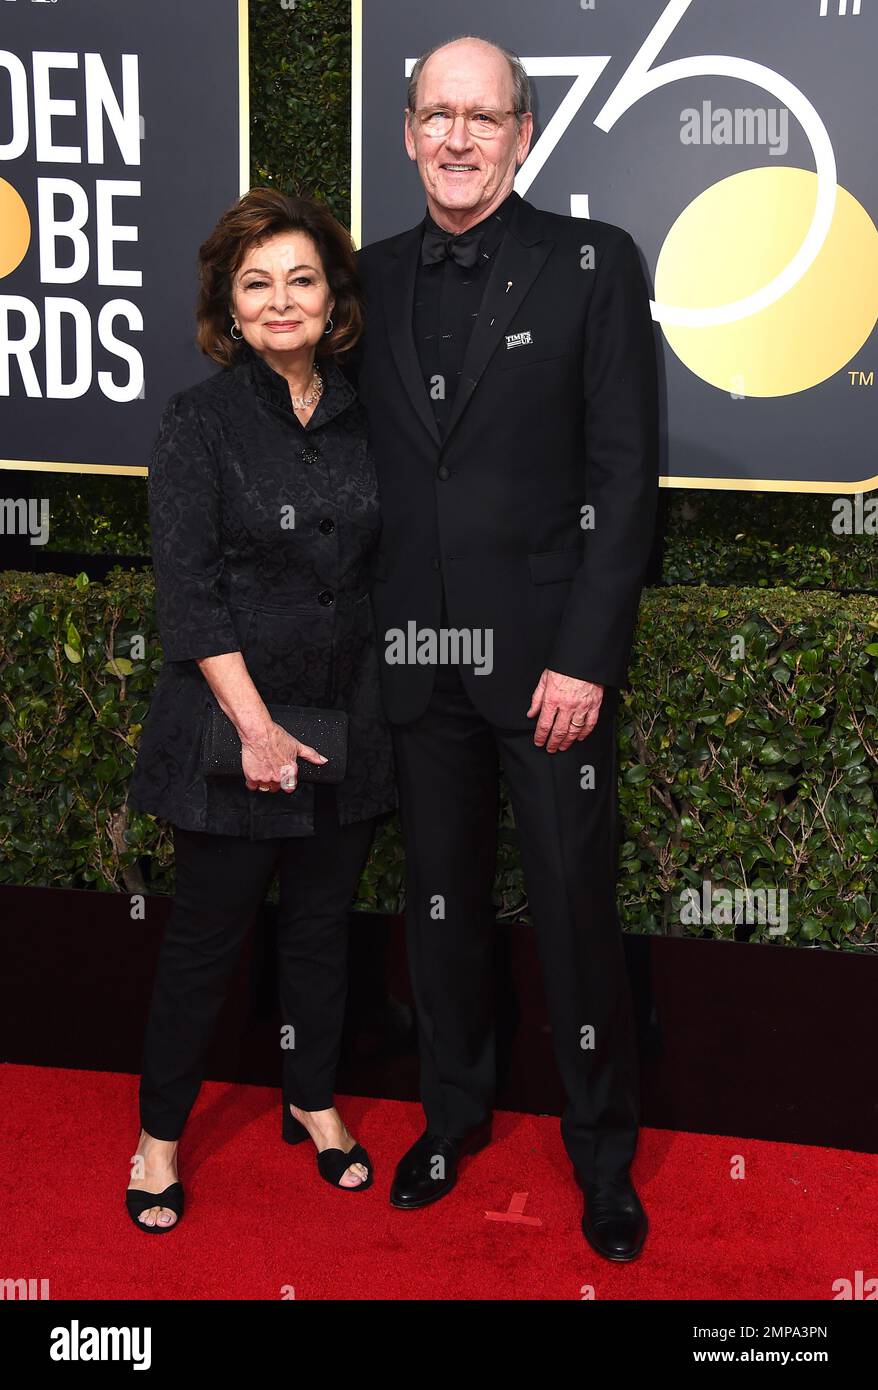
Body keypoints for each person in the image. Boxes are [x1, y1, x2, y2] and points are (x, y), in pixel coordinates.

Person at [348, 35, 659, 1260]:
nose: (458, 137)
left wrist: (585, 657)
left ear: (522, 134)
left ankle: (602, 1161)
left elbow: (623, 477)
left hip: (545, 668)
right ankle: (450, 1116)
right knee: (439, 908)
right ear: (408, 132)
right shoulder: (366, 278)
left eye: (483, 117)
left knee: (575, 915)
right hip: (417, 658)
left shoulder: (591, 263)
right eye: (438, 114)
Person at [125, 188, 396, 1230]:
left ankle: (312, 1100)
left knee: (322, 930)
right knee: (204, 942)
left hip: (349, 717)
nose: (281, 300)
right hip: (230, 722)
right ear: (228, 310)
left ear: (332, 300)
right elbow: (190, 595)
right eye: (256, 284)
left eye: (301, 279)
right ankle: (158, 1138)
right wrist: (254, 728)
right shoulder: (198, 421)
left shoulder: (368, 414)